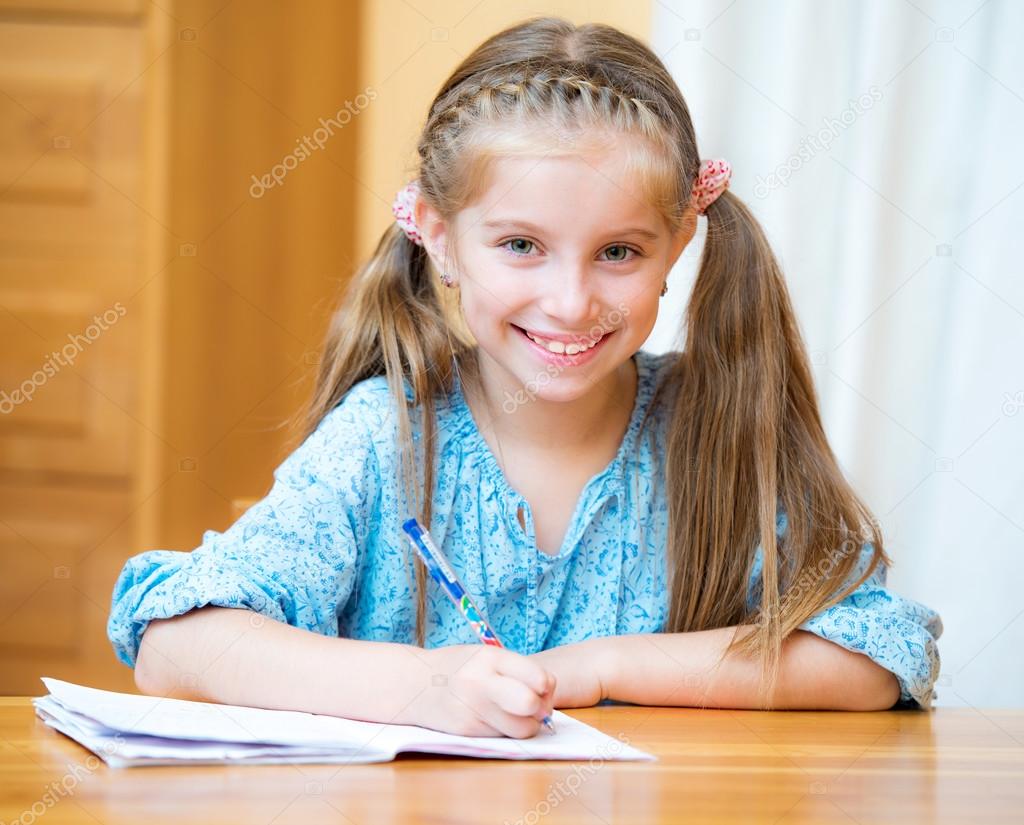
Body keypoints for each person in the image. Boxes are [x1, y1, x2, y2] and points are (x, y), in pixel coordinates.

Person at [107, 16, 942, 739]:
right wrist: (425, 686)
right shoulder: (385, 436)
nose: (570, 302)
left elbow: (873, 655)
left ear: (679, 243)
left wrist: (599, 666)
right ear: (438, 236)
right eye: (520, 245)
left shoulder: (715, 426)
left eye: (619, 251)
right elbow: (175, 643)